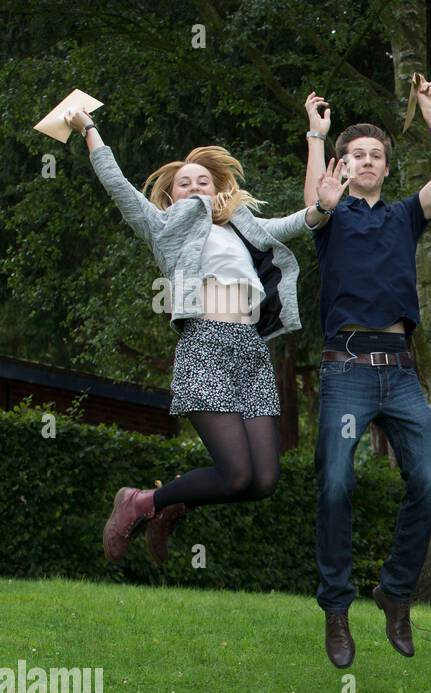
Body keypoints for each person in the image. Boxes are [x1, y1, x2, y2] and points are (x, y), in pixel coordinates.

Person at [67, 108, 340, 567]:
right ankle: (140, 502)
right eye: (184, 185)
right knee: (235, 475)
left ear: (218, 190)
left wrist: (324, 206)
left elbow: (296, 223)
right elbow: (117, 186)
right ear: (170, 198)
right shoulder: (163, 230)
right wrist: (89, 130)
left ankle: (172, 502)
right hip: (206, 346)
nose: (195, 189)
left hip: (251, 351)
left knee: (264, 480)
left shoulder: (242, 227)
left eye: (203, 183)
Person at [302, 82, 431, 668]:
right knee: (337, 484)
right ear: (344, 167)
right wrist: (319, 139)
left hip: (398, 372)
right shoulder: (330, 217)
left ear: (387, 168)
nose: (366, 162)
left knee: (426, 480)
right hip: (346, 368)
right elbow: (316, 201)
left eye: (375, 155)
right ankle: (336, 608)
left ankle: (395, 594)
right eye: (357, 156)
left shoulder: (403, 217)